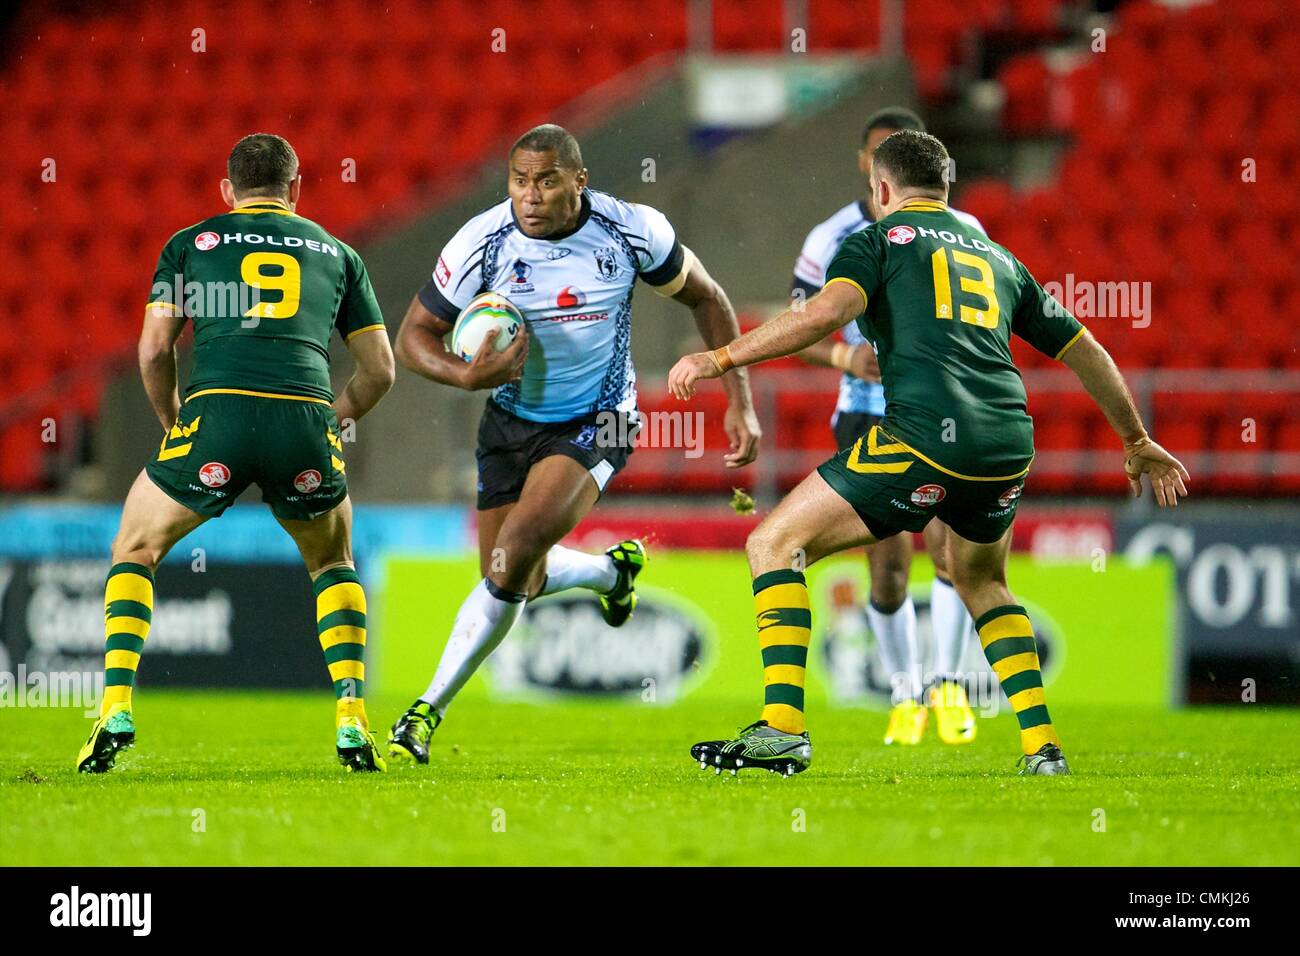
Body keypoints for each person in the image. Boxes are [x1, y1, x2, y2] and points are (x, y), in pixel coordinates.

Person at [669, 130, 1189, 777]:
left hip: (922, 436)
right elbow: (1085, 350)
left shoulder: (876, 241)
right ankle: (1042, 747)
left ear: (881, 190)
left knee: (774, 546)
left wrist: (719, 356)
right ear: (944, 189)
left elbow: (823, 315)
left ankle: (782, 730)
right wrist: (1135, 440)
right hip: (1004, 443)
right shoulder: (997, 257)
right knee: (982, 581)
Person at [386, 124, 761, 764]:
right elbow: (412, 338)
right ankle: (612, 572)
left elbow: (709, 298)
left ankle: (424, 713)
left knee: (515, 553)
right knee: (509, 578)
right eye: (519, 180)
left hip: (605, 418)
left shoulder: (633, 230)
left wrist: (740, 400)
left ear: (578, 181)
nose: (529, 196)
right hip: (508, 422)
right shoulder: (481, 241)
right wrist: (465, 375)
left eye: (547, 180)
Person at [78, 133, 395, 773]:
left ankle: (114, 706)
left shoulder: (190, 244)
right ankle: (352, 714)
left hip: (215, 412)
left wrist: (173, 421)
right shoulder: (338, 253)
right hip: (304, 418)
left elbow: (151, 349)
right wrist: (336, 417)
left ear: (228, 190)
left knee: (135, 549)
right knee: (333, 563)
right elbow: (380, 369)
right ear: (295, 190)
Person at [790, 106, 986, 746]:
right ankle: (906, 692)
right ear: (867, 167)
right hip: (869, 413)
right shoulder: (832, 239)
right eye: (880, 158)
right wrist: (847, 355)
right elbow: (805, 326)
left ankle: (951, 687)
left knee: (951, 554)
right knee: (889, 566)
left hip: (944, 414)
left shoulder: (963, 230)